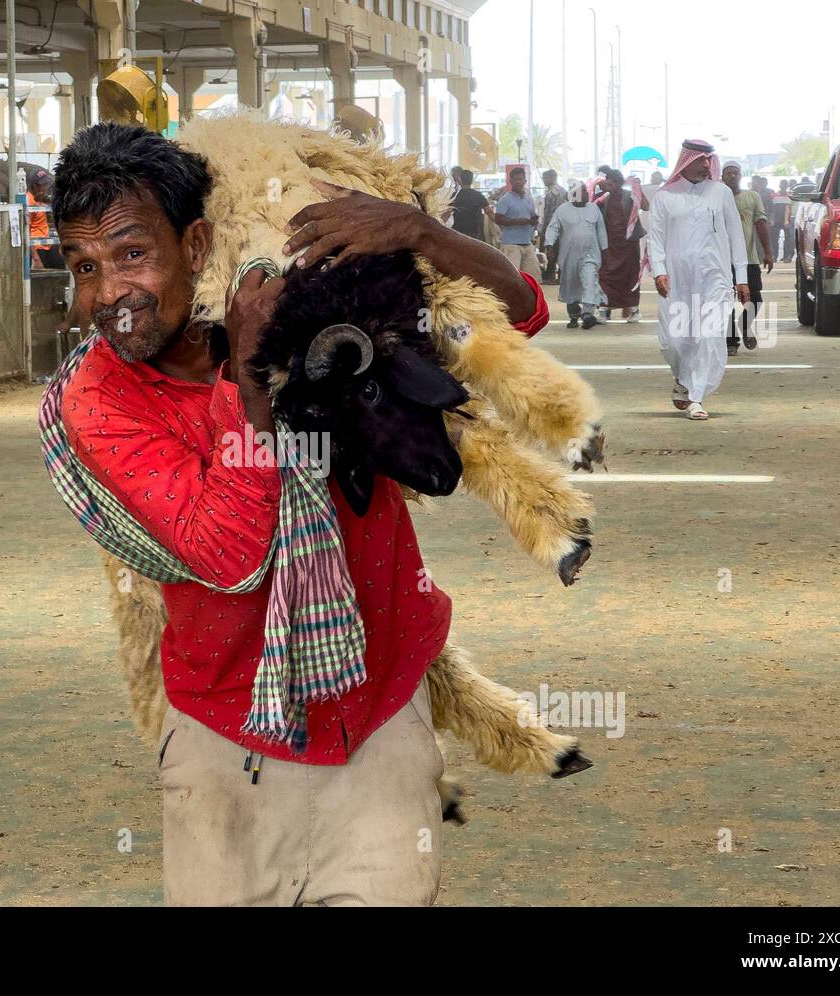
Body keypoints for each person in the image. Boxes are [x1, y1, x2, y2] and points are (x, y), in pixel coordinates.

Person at [47, 122, 549, 906]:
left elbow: (514, 313)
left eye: (132, 254)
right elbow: (230, 553)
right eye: (85, 266)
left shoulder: (317, 312)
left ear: (197, 242)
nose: (109, 293)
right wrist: (247, 381)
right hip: (223, 744)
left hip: (378, 721)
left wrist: (416, 230)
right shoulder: (99, 398)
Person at [648, 139, 749, 421]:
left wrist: (741, 277)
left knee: (708, 336)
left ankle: (696, 397)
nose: (707, 164)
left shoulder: (721, 194)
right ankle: (682, 378)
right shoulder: (665, 196)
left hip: (714, 278)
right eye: (701, 159)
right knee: (674, 341)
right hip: (677, 281)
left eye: (709, 159)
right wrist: (659, 271)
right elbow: (655, 239)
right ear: (686, 161)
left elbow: (736, 236)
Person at [723, 161, 774, 354]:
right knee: (725, 301)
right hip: (722, 261)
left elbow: (760, 224)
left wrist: (767, 252)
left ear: (741, 176)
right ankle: (731, 341)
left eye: (736, 173)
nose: (732, 176)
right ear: (722, 176)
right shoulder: (717, 198)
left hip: (748, 259)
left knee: (756, 299)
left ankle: (744, 325)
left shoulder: (752, 197)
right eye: (728, 173)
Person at [545, 179, 607, 328]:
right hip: (568, 256)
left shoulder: (594, 209)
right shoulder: (562, 210)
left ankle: (587, 314)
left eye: (586, 191)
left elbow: (601, 231)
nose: (586, 193)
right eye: (583, 191)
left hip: (590, 254)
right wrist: (549, 245)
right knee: (570, 285)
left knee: (589, 281)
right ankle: (573, 315)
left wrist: (605, 249)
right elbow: (553, 228)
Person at [596, 167, 646, 323]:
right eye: (606, 182)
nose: (608, 185)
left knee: (630, 275)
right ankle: (604, 311)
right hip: (609, 245)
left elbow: (646, 206)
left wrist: (639, 190)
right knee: (606, 275)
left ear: (618, 183)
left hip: (629, 244)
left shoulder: (630, 195)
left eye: (611, 183)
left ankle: (634, 310)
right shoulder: (603, 199)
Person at [492, 165, 542, 280]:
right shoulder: (505, 199)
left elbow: (532, 216)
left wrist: (534, 220)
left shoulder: (529, 198)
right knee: (512, 278)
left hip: (527, 243)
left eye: (520, 179)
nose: (518, 182)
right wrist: (520, 221)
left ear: (525, 180)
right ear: (511, 181)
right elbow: (498, 219)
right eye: (515, 179)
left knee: (534, 277)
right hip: (511, 245)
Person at [26, 168, 61, 268]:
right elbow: (26, 232)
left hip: (45, 244)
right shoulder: (29, 201)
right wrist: (35, 258)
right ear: (34, 186)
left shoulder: (39, 199)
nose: (46, 188)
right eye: (44, 185)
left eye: (47, 184)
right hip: (36, 246)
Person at [538, 169, 568, 283]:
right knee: (561, 251)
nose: (544, 181)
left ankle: (550, 275)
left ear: (552, 178)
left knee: (551, 251)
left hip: (552, 226)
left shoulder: (550, 194)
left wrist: (544, 230)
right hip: (563, 226)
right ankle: (561, 276)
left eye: (545, 178)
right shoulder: (563, 190)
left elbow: (548, 214)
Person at [450, 168, 494, 242]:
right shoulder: (478, 195)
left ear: (460, 180)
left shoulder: (455, 196)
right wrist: (498, 222)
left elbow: (447, 213)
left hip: (458, 231)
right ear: (471, 180)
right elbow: (489, 211)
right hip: (474, 232)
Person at [773, 178, 794, 262]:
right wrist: (772, 219)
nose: (783, 187)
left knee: (787, 239)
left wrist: (787, 220)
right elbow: (772, 209)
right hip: (776, 220)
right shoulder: (774, 196)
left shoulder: (789, 196)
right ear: (779, 186)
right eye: (782, 185)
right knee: (775, 239)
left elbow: (789, 208)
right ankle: (774, 256)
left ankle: (786, 256)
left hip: (786, 221)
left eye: (784, 185)